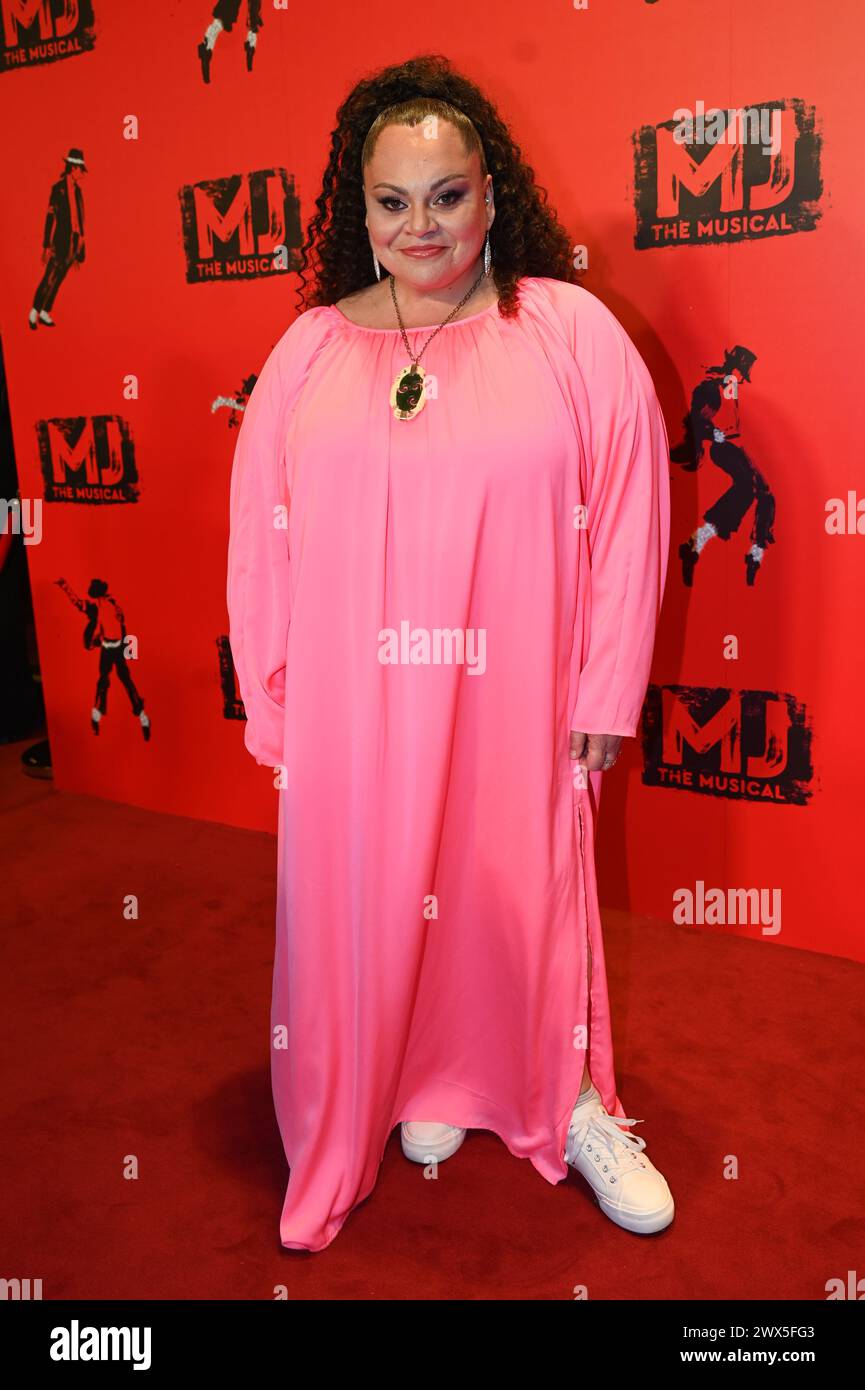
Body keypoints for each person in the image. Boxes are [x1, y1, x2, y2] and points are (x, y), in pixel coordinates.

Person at [226, 54, 673, 1253]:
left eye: (447, 195)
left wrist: (605, 686)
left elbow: (631, 510)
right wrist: (276, 701)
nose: (419, 225)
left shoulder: (565, 330)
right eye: (392, 200)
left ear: (491, 194)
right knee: (369, 903)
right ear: (359, 210)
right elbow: (261, 540)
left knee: (520, 893)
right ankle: (426, 1074)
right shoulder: (309, 352)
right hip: (356, 707)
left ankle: (563, 1096)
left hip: (519, 692)